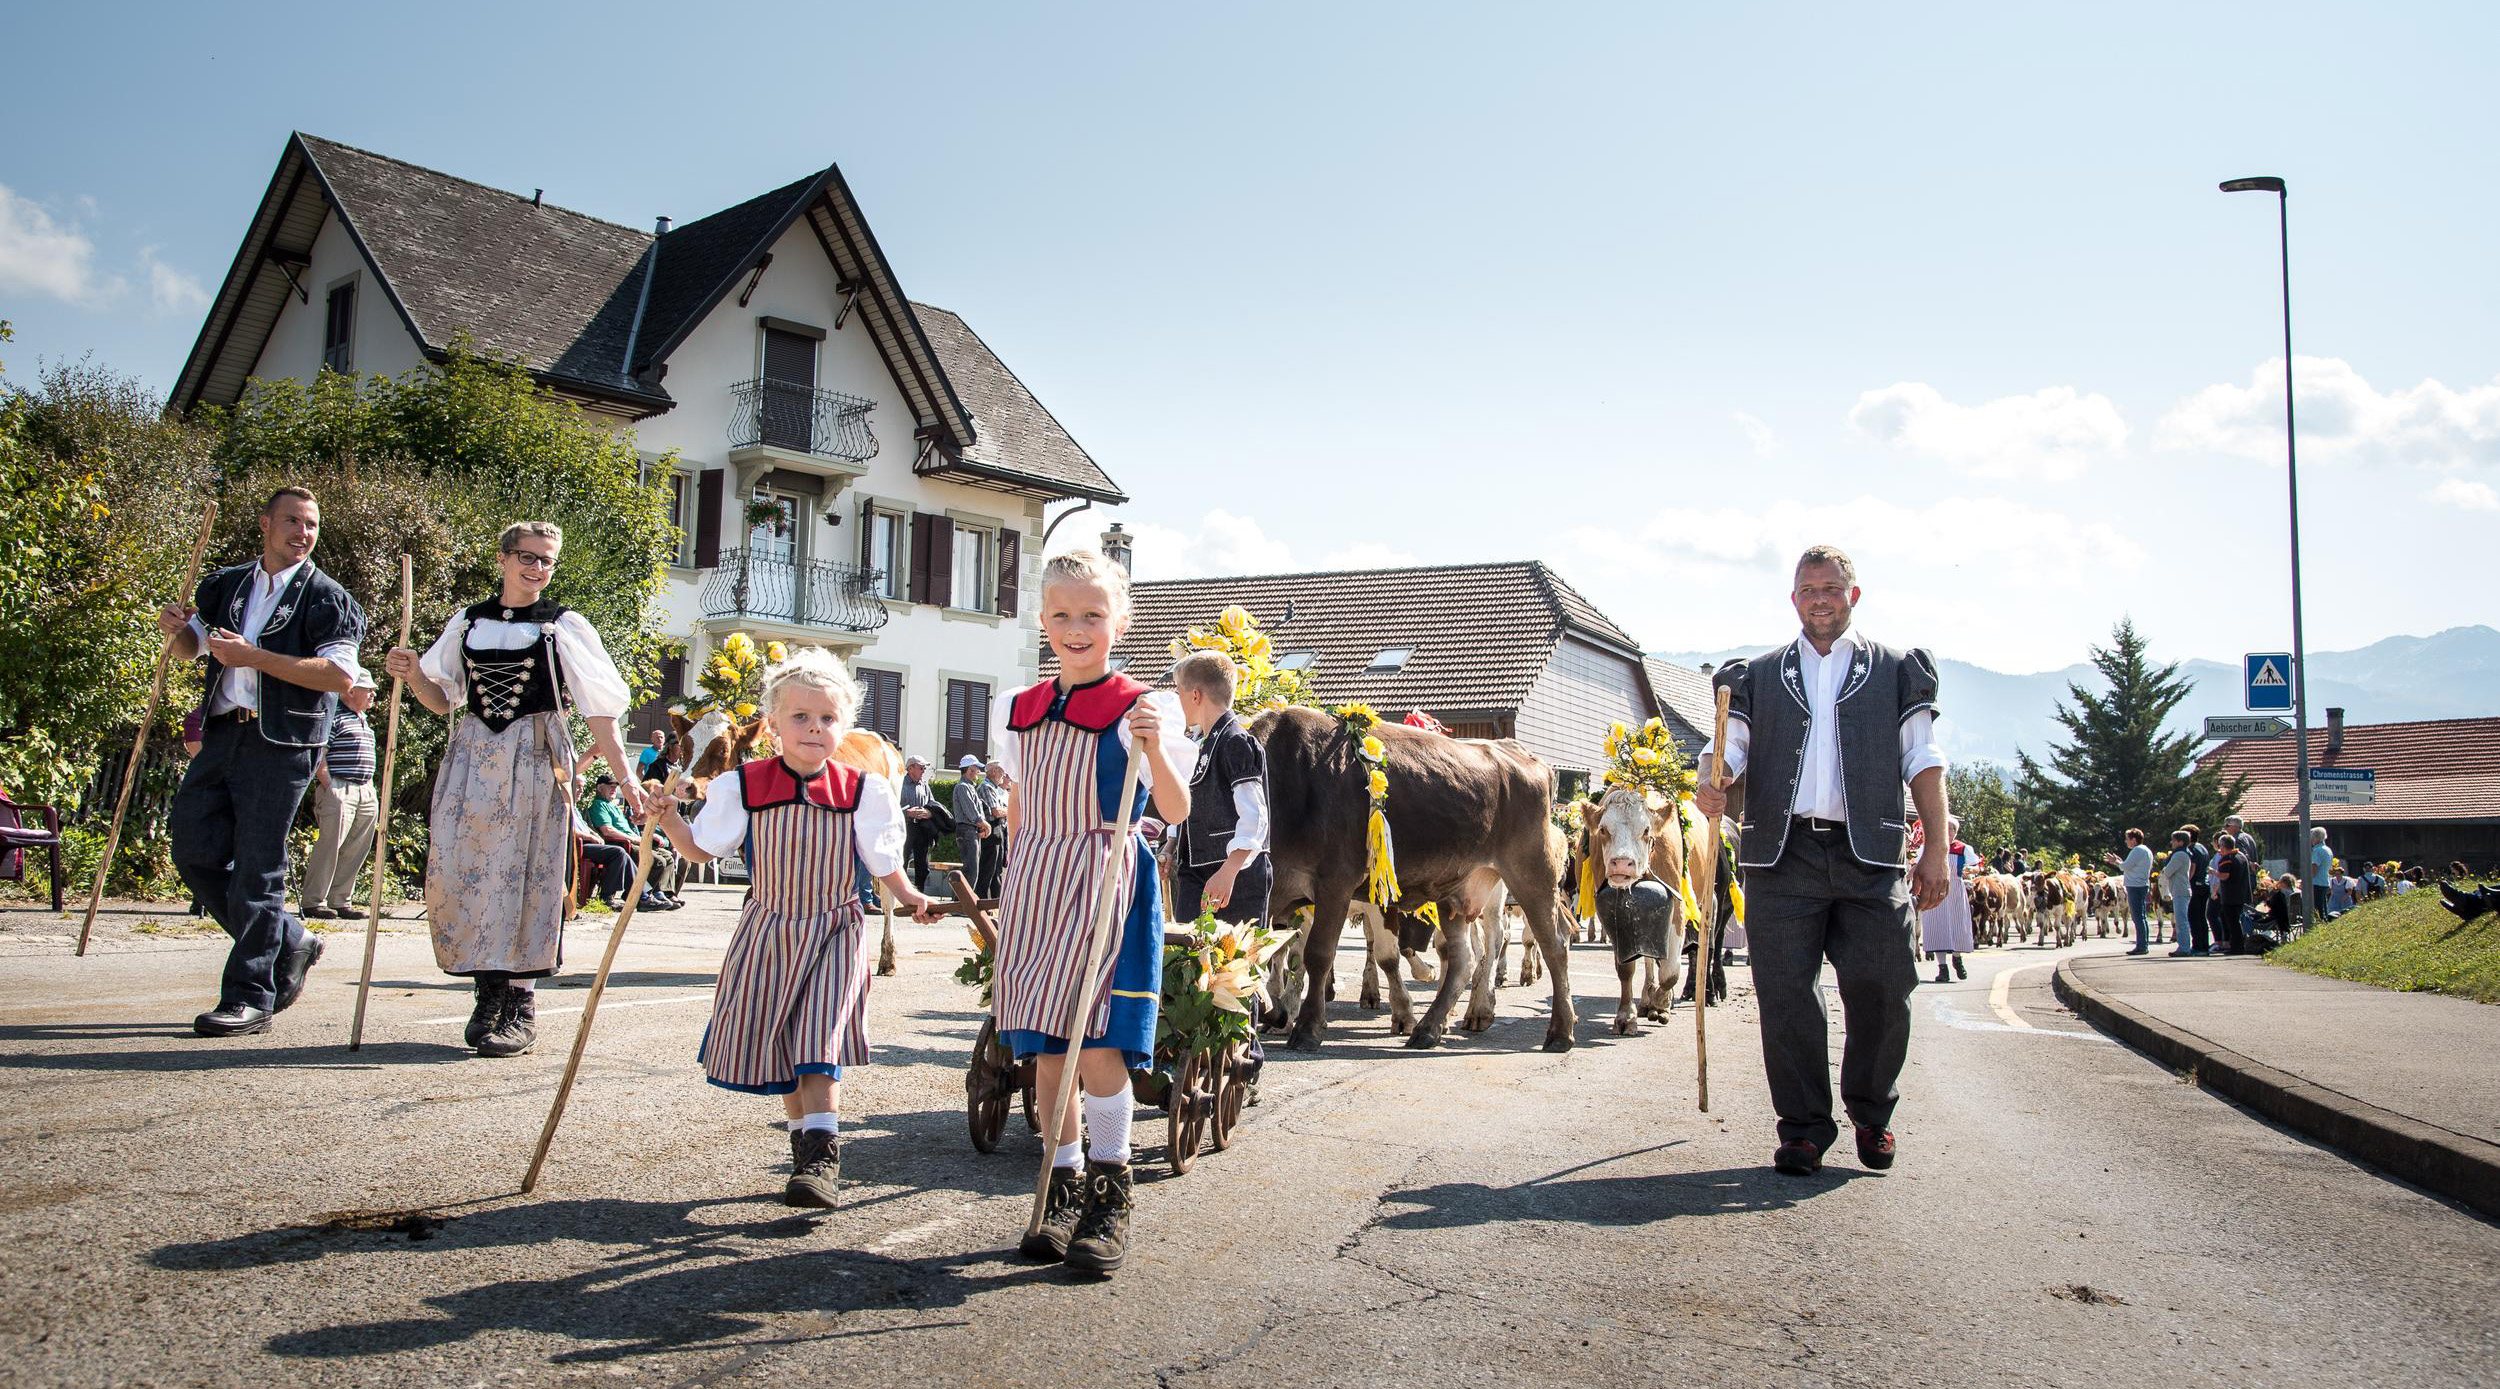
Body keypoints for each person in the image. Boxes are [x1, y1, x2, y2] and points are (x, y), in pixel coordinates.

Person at [1694, 544, 1948, 1178]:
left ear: (1853, 595)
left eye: (1831, 588)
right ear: (1794, 599)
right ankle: (1804, 1128)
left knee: (1886, 989)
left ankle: (1871, 1112)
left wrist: (1937, 847)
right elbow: (1730, 750)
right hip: (1782, 854)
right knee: (1785, 997)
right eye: (1808, 589)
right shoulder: (1757, 674)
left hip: (1872, 854)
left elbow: (1922, 759)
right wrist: (1714, 775)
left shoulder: (1896, 670)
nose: (1820, 599)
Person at [656, 647, 936, 1207]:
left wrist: (910, 898)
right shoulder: (743, 786)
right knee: (783, 1039)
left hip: (837, 929)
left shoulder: (864, 792)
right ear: (774, 724)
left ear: (845, 726)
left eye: (828, 719)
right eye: (800, 718)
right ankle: (802, 1149)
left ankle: (822, 1155)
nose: (815, 729)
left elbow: (885, 865)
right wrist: (667, 820)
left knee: (820, 1034)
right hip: (770, 929)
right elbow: (701, 848)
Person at [990, 550, 1192, 1274]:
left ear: (1121, 621)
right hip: (1040, 881)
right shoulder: (1019, 707)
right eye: (1064, 615)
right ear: (1043, 620)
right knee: (1047, 1048)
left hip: (1105, 878)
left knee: (1099, 1046)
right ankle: (1064, 1185)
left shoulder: (1142, 706)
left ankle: (1112, 1190)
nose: (1078, 628)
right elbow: (1020, 804)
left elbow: (1173, 809)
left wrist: (1153, 749)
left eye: (1094, 615)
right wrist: (1017, 878)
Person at [385, 520, 642, 1059]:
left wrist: (625, 777)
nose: (538, 569)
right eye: (528, 557)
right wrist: (412, 675)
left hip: (535, 756)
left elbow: (599, 713)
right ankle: (488, 993)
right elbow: (442, 699)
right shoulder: (468, 622)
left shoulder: (563, 626)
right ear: (503, 558)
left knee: (529, 871)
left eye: (547, 561)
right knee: (464, 869)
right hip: (474, 757)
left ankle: (520, 1000)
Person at [161, 487, 367, 1037]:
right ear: (265, 524)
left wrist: (254, 657)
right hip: (223, 732)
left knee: (258, 865)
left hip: (284, 743)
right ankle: (291, 938)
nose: (303, 533)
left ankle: (250, 995)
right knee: (193, 850)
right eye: (293, 521)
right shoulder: (226, 584)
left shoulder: (327, 598)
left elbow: (338, 678)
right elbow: (192, 649)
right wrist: (178, 630)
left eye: (312, 524)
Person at [300, 668, 381, 920]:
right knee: (330, 844)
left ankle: (340, 899)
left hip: (364, 788)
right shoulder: (334, 716)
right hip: (339, 786)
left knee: (357, 846)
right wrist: (329, 785)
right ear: (351, 690)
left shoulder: (362, 718)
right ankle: (314, 900)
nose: (373, 694)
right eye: (368, 689)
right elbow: (319, 752)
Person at [583, 773, 679, 912]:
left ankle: (658, 893)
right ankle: (639, 896)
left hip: (632, 841)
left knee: (667, 857)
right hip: (621, 843)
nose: (614, 789)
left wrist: (645, 838)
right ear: (599, 788)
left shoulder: (615, 806)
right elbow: (607, 831)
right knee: (657, 861)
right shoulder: (599, 805)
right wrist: (636, 839)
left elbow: (630, 829)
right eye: (610, 786)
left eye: (616, 787)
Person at [1912, 816, 1974, 984]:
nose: (1947, 832)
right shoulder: (1928, 848)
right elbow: (1917, 865)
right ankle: (1942, 968)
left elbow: (1975, 865)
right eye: (1944, 828)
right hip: (1934, 888)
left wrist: (1969, 870)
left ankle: (1957, 958)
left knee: (1956, 924)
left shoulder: (1962, 849)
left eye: (1950, 829)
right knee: (1937, 926)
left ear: (1955, 832)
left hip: (1954, 890)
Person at [898, 755, 948, 890]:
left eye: (925, 767)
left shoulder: (924, 785)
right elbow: (892, 807)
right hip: (905, 827)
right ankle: (902, 893)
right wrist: (907, 813)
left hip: (922, 828)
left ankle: (920, 891)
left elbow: (932, 804)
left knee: (923, 864)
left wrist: (929, 813)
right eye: (921, 767)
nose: (924, 770)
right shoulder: (899, 784)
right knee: (901, 860)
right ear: (910, 768)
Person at [2104, 829, 2155, 956]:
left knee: (2137, 917)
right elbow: (2128, 865)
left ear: (2133, 839)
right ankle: (2143, 944)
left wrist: (2115, 861)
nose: (2126, 841)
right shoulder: (2146, 850)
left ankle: (2141, 946)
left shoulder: (2137, 850)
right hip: (2142, 884)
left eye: (2127, 839)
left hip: (2135, 885)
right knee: (2142, 916)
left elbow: (2125, 867)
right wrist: (2120, 862)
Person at [572, 804, 633, 908]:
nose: (580, 791)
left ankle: (637, 893)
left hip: (588, 843)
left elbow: (585, 827)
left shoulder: (575, 809)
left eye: (581, 788)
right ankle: (606, 897)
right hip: (577, 846)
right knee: (618, 852)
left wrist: (594, 834)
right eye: (578, 787)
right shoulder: (565, 808)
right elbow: (568, 829)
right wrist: (590, 836)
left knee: (623, 855)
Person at [952, 756, 995, 896]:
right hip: (967, 830)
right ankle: (962, 903)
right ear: (969, 770)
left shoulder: (968, 787)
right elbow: (972, 813)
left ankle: (961, 902)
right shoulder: (963, 787)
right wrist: (985, 825)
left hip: (970, 830)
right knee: (971, 869)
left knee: (971, 868)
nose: (978, 772)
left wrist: (981, 826)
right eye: (976, 769)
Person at [2212, 834, 2253, 954]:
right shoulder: (2241, 856)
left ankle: (2236, 947)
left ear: (2223, 846)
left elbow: (2224, 876)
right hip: (2242, 894)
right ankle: (2238, 946)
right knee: (2236, 921)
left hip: (2230, 896)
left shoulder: (2226, 859)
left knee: (2232, 923)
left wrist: (2213, 872)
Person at [2159, 830, 2197, 956]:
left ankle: (2184, 948)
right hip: (2180, 890)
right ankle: (2184, 946)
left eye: (2174, 840)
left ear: (2180, 842)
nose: (2171, 843)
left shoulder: (2179, 855)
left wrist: (2164, 870)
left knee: (2181, 921)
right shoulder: (2183, 854)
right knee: (2181, 920)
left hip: (2180, 890)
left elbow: (2167, 872)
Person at [981, 756, 1013, 899]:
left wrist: (1005, 811)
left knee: (997, 868)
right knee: (989, 868)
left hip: (998, 831)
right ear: (994, 771)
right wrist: (1011, 811)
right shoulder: (986, 787)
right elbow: (996, 811)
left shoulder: (994, 788)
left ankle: (995, 901)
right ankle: (983, 899)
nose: (1003, 775)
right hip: (991, 832)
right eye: (1002, 771)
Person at [2180, 823, 2212, 956]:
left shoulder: (2191, 849)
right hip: (2204, 885)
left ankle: (2198, 946)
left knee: (2194, 917)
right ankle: (2205, 945)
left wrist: (2186, 881)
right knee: (2201, 917)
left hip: (2194, 886)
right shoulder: (2203, 848)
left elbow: (2192, 867)